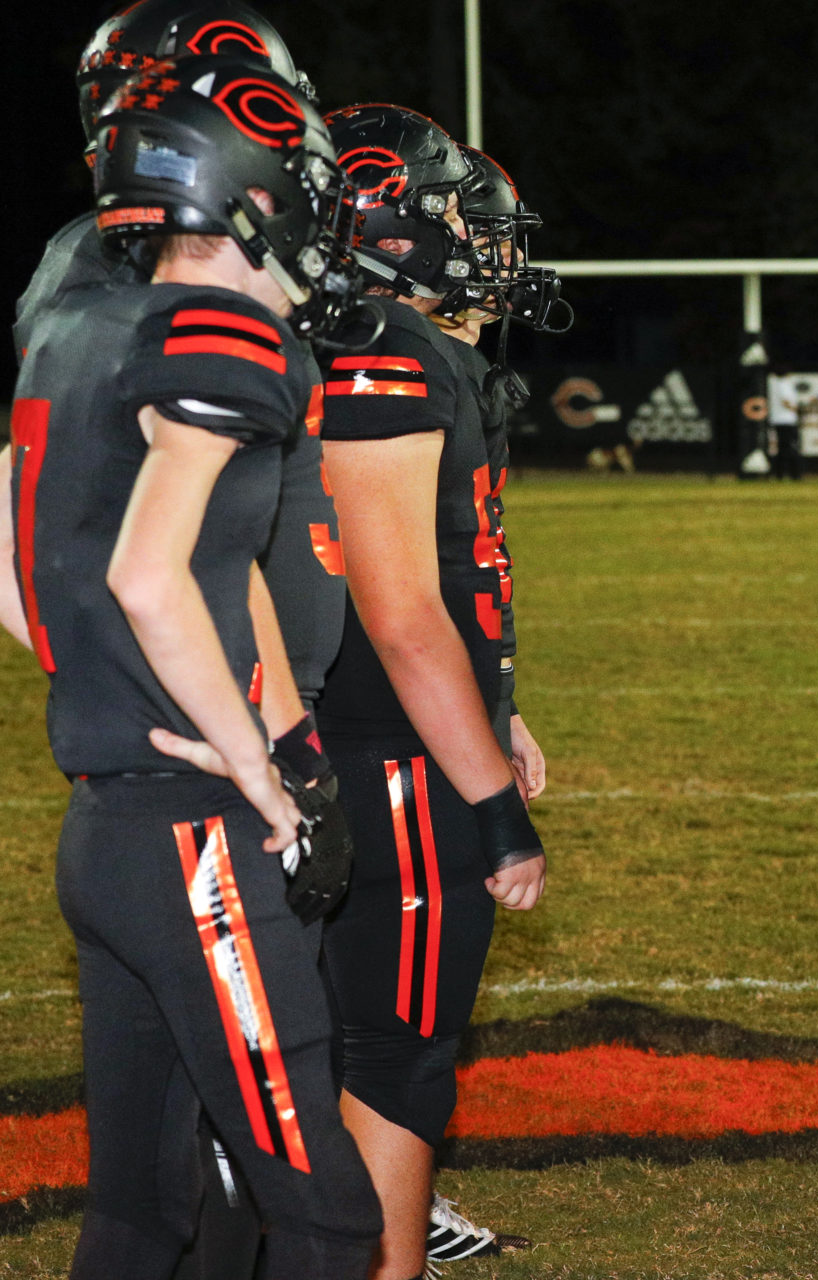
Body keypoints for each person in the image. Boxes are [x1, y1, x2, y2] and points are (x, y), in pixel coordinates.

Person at [10, 54, 378, 1278]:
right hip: (199, 838)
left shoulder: (73, 319)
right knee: (327, 1214)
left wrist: (112, 680)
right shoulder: (221, 327)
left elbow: (34, 567)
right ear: (246, 183)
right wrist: (259, 769)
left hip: (106, 833)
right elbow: (151, 575)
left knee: (135, 1211)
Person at [315, 102, 548, 1280]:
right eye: (466, 216)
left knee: (361, 1040)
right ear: (393, 221)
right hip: (390, 763)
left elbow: (438, 591)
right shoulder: (381, 354)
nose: (490, 243)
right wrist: (491, 798)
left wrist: (496, 706)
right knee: (394, 1047)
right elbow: (398, 612)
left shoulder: (395, 344)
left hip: (395, 741)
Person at [766, 365, 804, 480]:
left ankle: (780, 474)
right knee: (791, 448)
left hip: (777, 420)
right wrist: (797, 410)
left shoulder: (774, 383)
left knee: (782, 448)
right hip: (787, 420)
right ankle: (794, 474)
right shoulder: (784, 384)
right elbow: (786, 402)